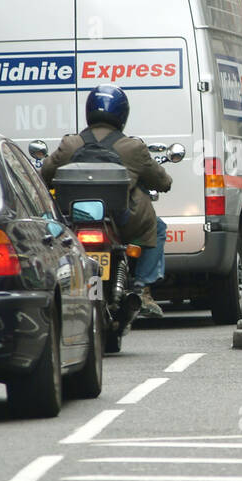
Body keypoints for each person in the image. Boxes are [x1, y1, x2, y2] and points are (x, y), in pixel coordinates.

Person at [39, 85, 172, 319]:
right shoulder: (133, 147)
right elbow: (163, 182)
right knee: (158, 227)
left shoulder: (70, 144)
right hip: (123, 221)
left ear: (89, 111)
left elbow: (45, 174)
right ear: (122, 115)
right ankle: (142, 288)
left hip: (74, 221)